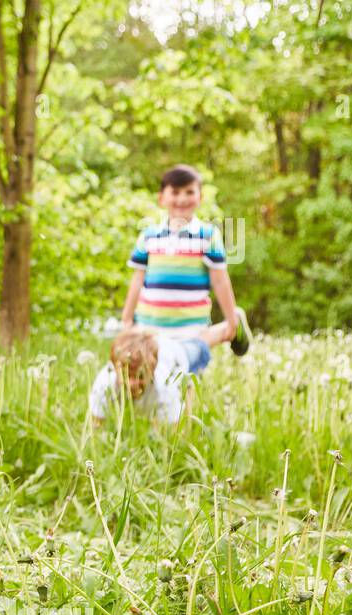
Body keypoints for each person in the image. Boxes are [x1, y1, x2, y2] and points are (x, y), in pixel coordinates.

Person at [121, 164, 250, 356]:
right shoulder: (149, 235)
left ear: (200, 198)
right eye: (175, 192)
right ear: (162, 198)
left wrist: (230, 318)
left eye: (189, 192)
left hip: (190, 328)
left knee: (183, 372)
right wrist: (126, 320)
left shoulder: (207, 235)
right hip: (149, 326)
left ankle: (232, 325)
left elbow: (220, 280)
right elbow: (137, 279)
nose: (182, 198)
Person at [89, 317, 249, 425]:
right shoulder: (104, 384)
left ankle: (231, 323)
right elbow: (96, 428)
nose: (133, 383)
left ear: (152, 371)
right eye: (127, 376)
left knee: (201, 344)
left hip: (178, 353)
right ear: (115, 368)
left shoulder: (164, 386)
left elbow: (172, 435)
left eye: (140, 377)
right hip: (158, 348)